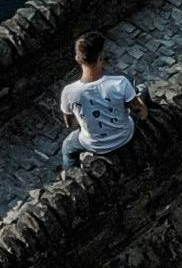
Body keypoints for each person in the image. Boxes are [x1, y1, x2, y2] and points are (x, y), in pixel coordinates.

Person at [59, 29, 145, 171]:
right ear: (100, 57)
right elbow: (141, 113)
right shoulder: (120, 83)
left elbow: (70, 125)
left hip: (94, 144)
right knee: (143, 89)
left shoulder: (69, 92)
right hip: (124, 136)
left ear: (77, 59)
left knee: (67, 148)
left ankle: (71, 176)